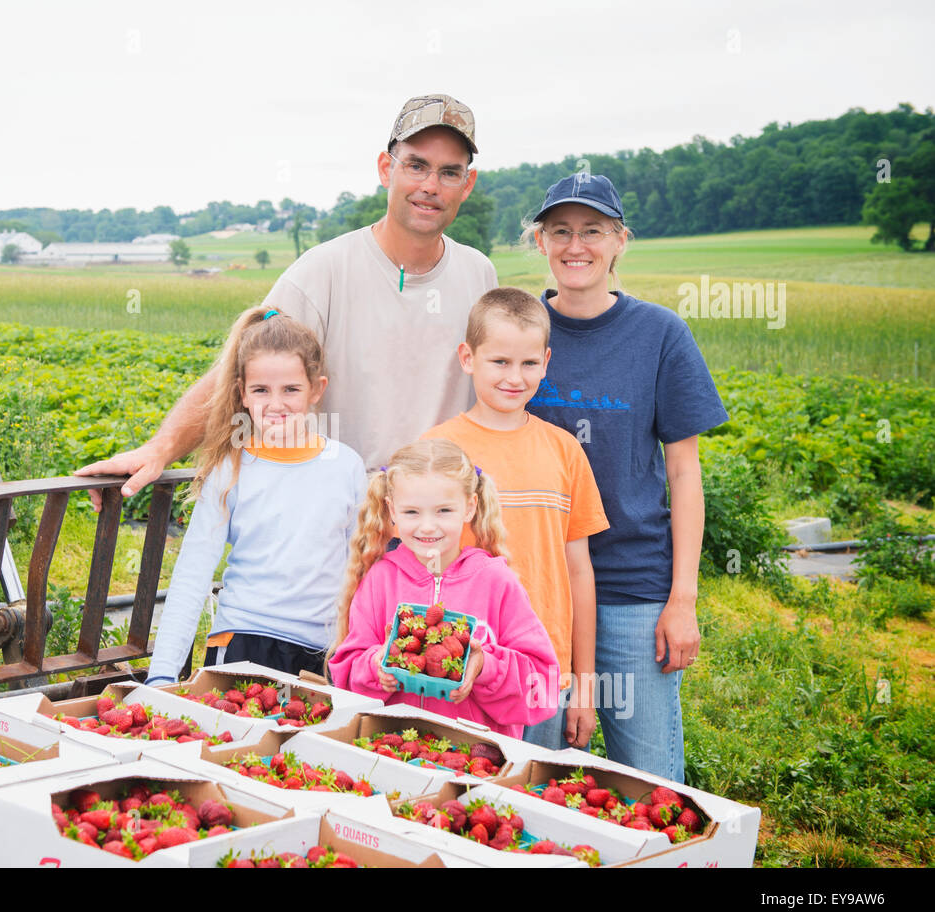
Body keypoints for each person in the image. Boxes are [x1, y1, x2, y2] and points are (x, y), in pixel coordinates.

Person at [76, 94, 498, 497]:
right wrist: (160, 449)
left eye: (449, 172)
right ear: (386, 169)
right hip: (345, 516)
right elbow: (240, 370)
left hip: (440, 519)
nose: (431, 185)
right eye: (417, 166)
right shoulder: (322, 271)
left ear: (468, 184)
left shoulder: (479, 274)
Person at [523, 173, 728, 782]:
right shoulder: (519, 330)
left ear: (620, 241)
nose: (575, 245)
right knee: (540, 773)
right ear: (541, 242)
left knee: (649, 779)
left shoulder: (660, 334)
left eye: (593, 231)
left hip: (633, 584)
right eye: (560, 231)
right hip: (537, 586)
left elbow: (684, 471)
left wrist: (682, 599)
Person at [422, 287, 608, 751]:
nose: (515, 377)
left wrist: (583, 686)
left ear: (546, 362)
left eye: (528, 364)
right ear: (468, 358)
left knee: (535, 799)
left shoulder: (564, 449)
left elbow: (578, 570)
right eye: (499, 362)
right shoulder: (437, 450)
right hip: (459, 665)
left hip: (543, 669)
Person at [143, 305, 366, 685]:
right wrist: (161, 674)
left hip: (322, 654)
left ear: (317, 390)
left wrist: (353, 657)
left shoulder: (346, 466)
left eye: (291, 390)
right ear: (242, 394)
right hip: (241, 645)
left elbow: (360, 571)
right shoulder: (231, 469)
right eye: (261, 390)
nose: (276, 405)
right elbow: (192, 575)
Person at [325, 438, 559, 738]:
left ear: (470, 507)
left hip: (475, 762)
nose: (427, 527)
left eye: (443, 511)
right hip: (393, 753)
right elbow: (346, 675)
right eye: (412, 512)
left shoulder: (496, 582)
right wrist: (376, 665)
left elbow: (543, 687)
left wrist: (486, 667)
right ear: (392, 510)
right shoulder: (381, 579)